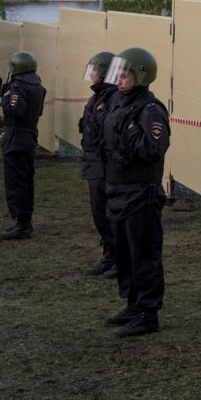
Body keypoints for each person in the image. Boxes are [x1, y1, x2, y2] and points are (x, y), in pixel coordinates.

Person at [100, 47, 170, 337]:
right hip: (118, 189)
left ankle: (147, 313)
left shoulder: (150, 109)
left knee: (143, 253)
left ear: (141, 75)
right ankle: (133, 303)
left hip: (141, 192)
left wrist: (129, 130)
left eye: (126, 74)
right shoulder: (119, 102)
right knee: (125, 254)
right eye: (119, 73)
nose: (120, 79)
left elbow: (153, 149)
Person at [0, 51, 46, 240]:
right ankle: (23, 220)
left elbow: (14, 111)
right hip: (29, 135)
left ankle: (21, 223)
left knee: (16, 182)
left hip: (17, 136)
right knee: (26, 180)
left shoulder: (18, 87)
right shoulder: (37, 86)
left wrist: (5, 98)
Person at [79, 51, 118, 275]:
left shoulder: (112, 99)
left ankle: (118, 259)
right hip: (94, 164)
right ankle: (109, 255)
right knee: (99, 214)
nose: (91, 74)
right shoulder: (98, 98)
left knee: (110, 213)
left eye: (94, 70)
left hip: (106, 167)